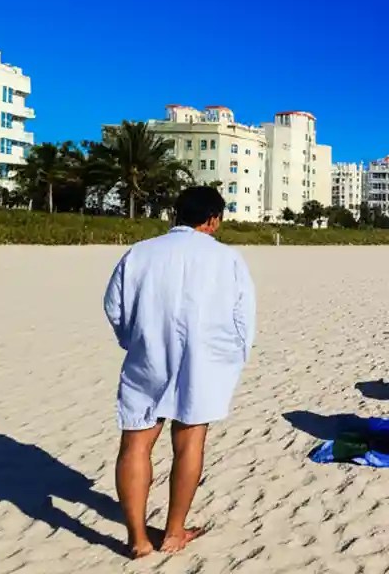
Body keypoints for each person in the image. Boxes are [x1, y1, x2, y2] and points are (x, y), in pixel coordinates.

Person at [104, 186, 256, 558]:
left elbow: (114, 307)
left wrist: (133, 340)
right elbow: (243, 318)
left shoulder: (139, 252)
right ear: (213, 219)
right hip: (203, 358)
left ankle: (138, 540)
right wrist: (234, 356)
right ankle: (173, 532)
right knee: (189, 441)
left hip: (148, 353)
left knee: (136, 442)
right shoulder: (227, 258)